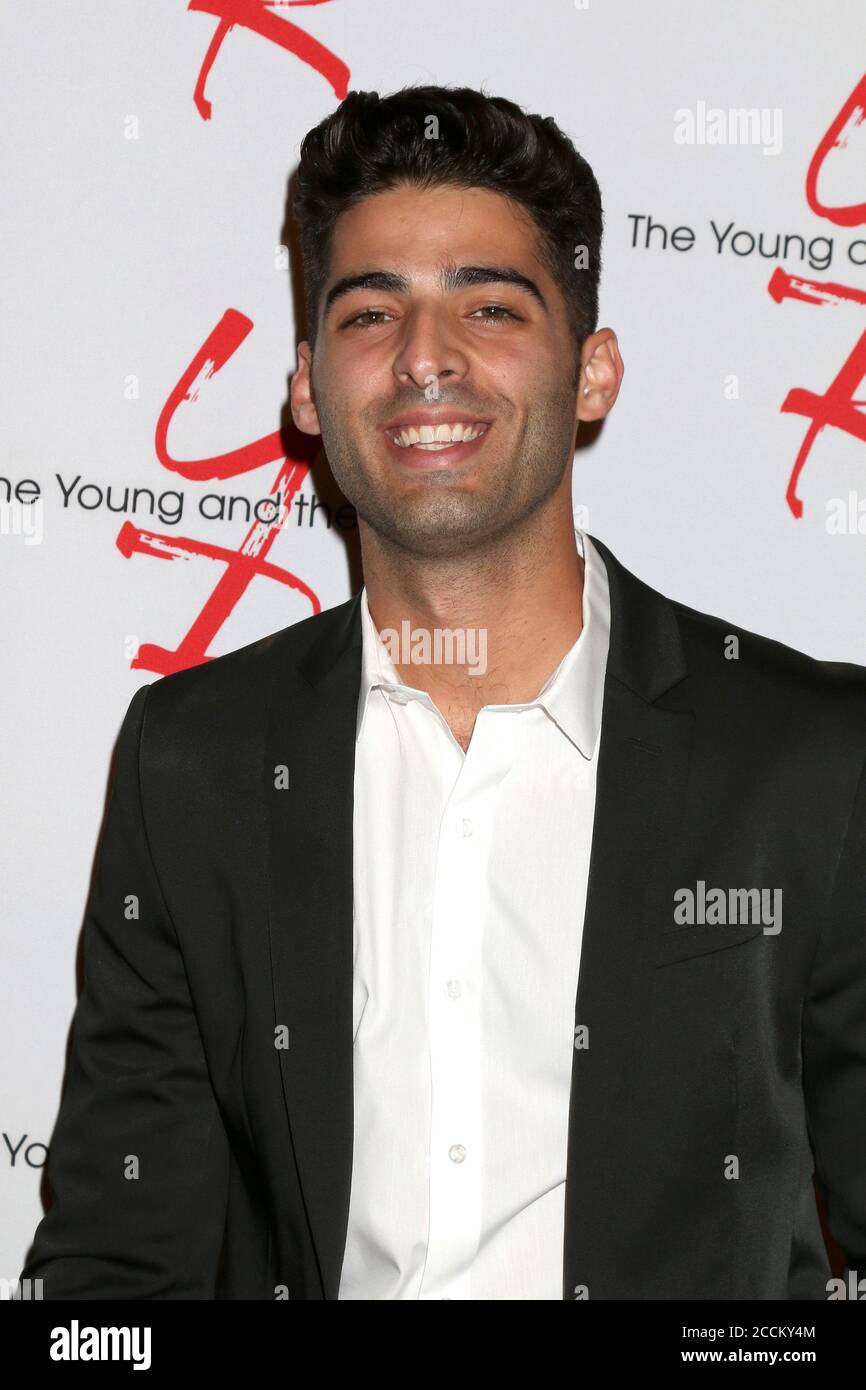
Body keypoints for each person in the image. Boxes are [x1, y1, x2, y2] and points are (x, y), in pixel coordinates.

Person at [21, 85, 866, 1300]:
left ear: (591, 373)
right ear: (308, 387)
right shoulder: (194, 760)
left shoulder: (806, 758)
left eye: (488, 304)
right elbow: (119, 1262)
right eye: (371, 313)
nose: (427, 358)